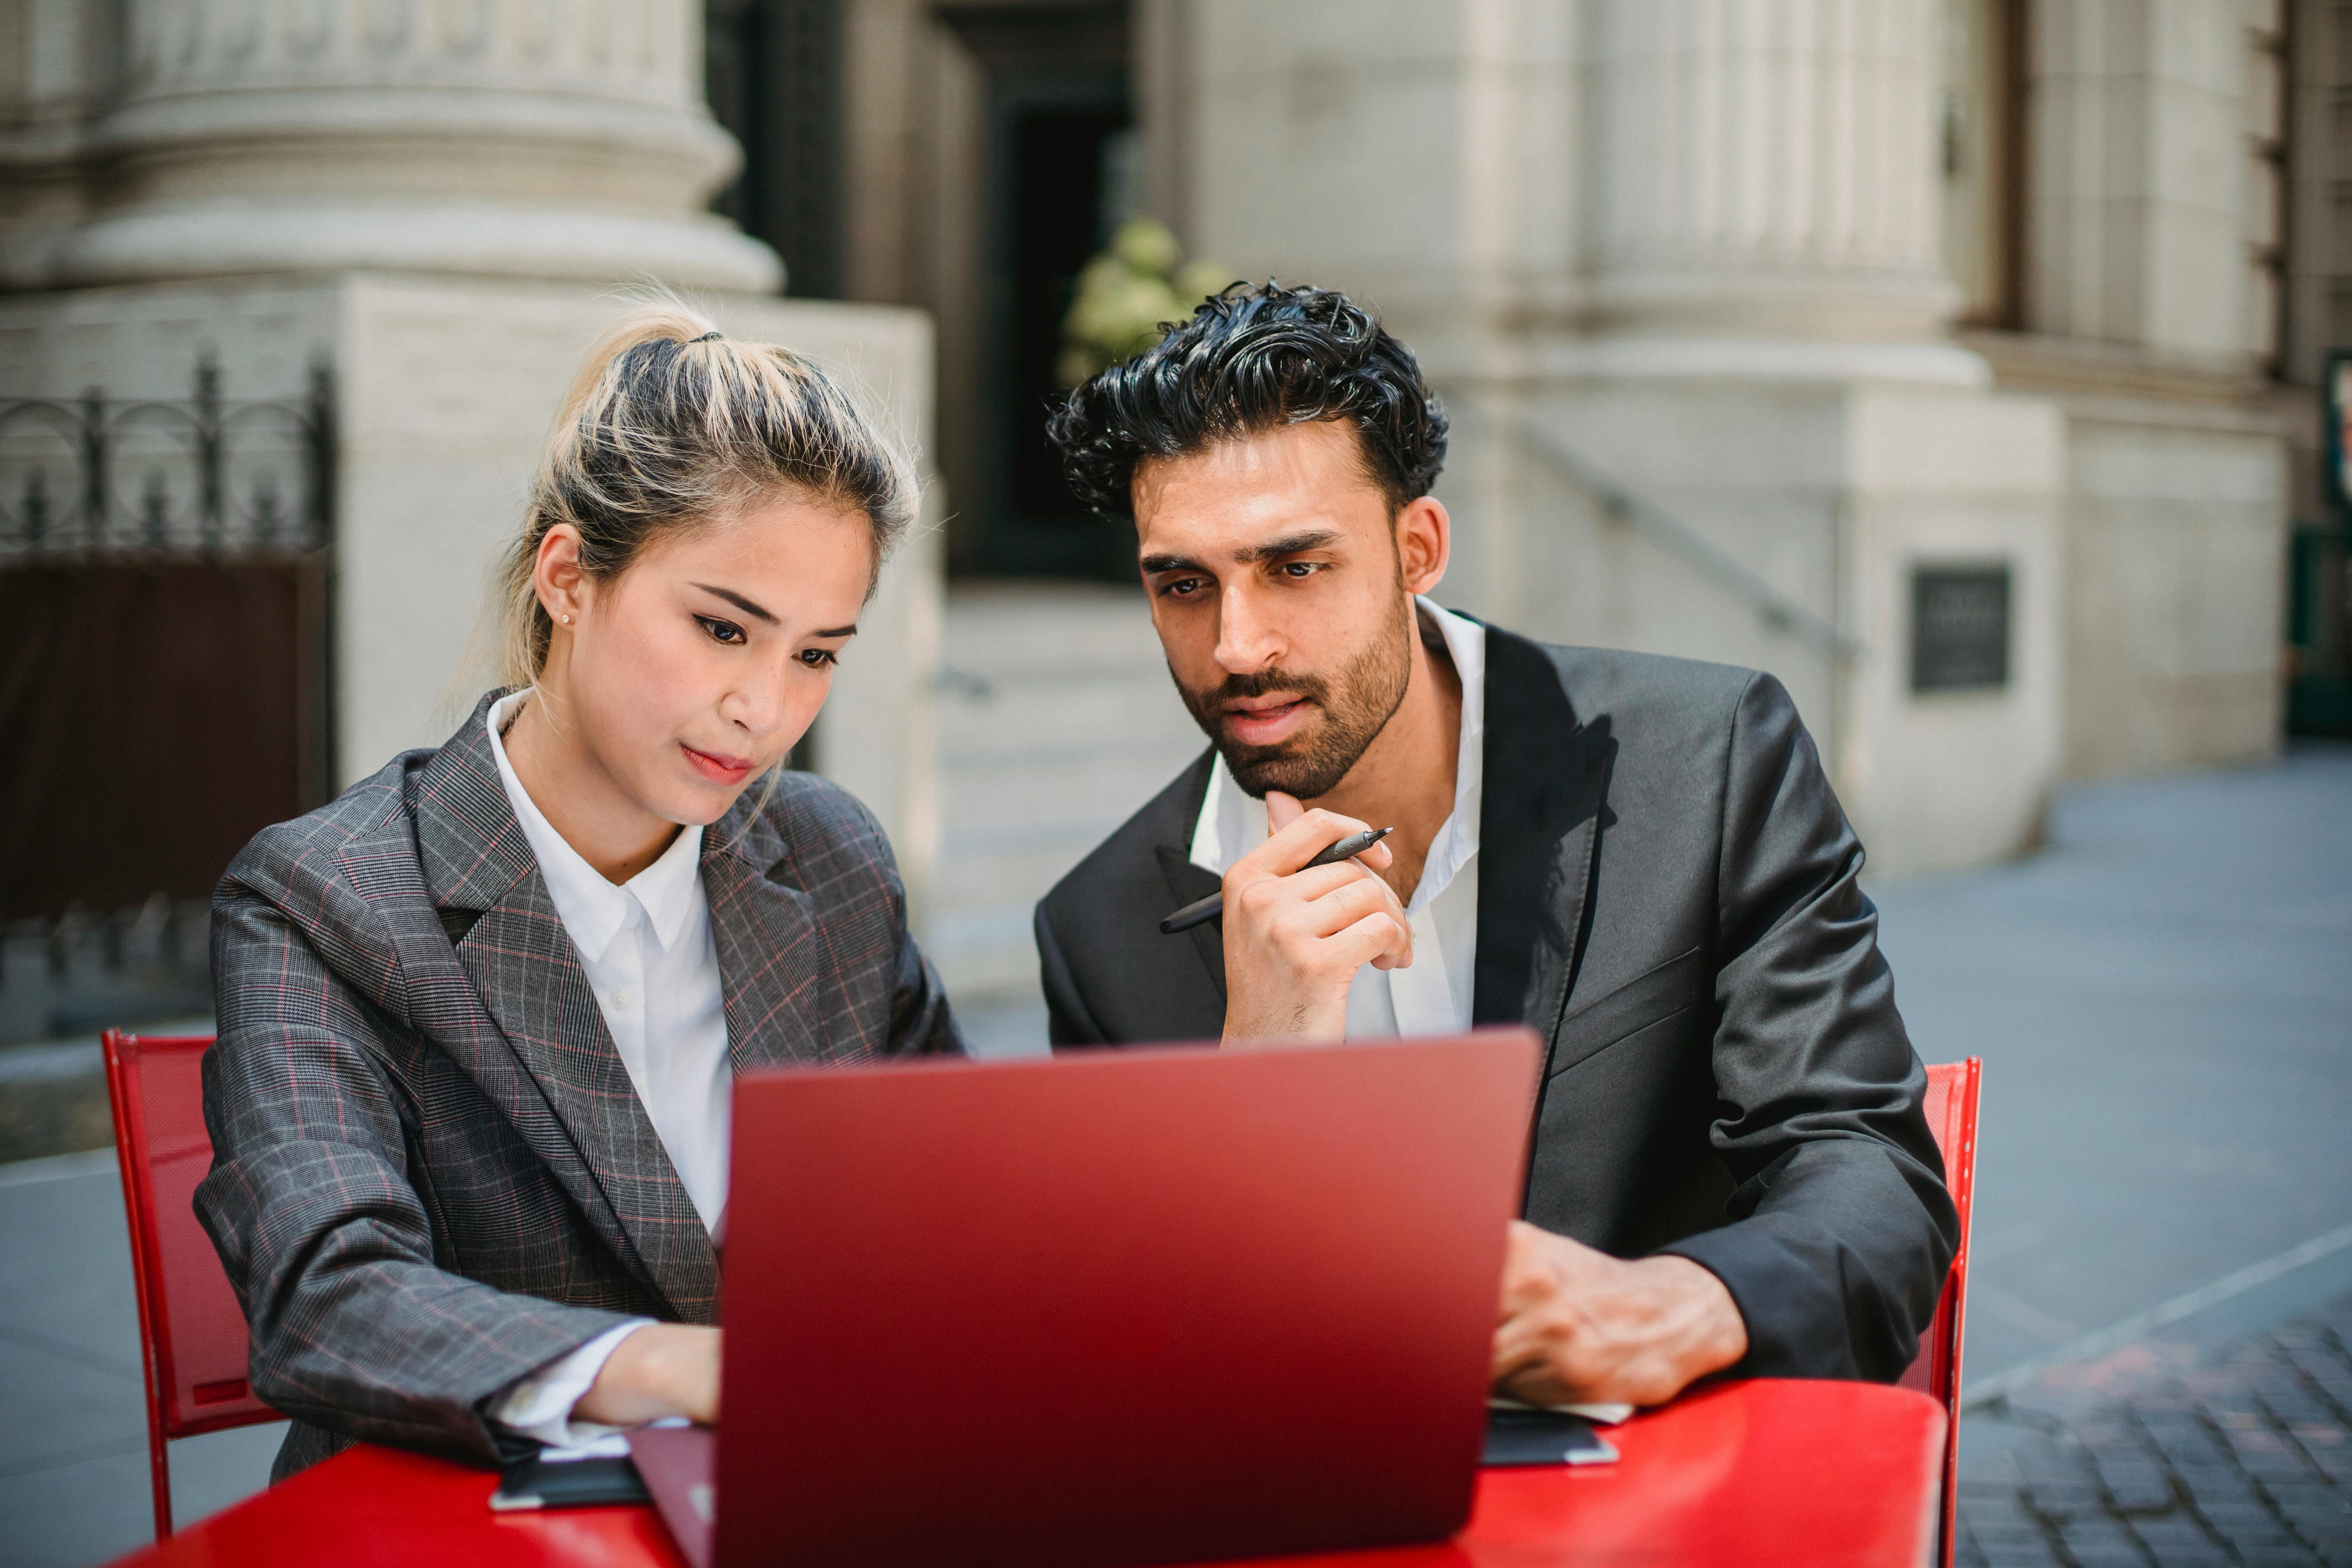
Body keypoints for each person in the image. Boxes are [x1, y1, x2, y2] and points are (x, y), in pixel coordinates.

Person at [1036, 283, 1958, 1410]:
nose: (1236, 646)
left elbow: (1867, 1167)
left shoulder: (1704, 761)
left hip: (1667, 1476)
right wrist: (1256, 1088)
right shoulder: (1100, 932)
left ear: (1416, 547)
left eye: (1295, 567)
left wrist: (1672, 1309)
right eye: (1184, 585)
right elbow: (1144, 1356)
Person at [198, 307, 962, 1480]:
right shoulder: (327, 898)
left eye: (816, 654)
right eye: (722, 628)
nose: (766, 709)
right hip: (469, 1521)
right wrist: (687, 1372)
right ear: (569, 578)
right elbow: (328, 1295)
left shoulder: (828, 857)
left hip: (814, 1502)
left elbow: (959, 1214)